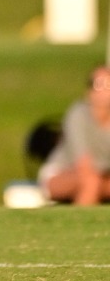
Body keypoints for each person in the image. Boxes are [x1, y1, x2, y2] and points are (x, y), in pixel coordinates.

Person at [39, 66, 110, 204]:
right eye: (99, 85)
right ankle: (82, 224)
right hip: (62, 173)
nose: (105, 91)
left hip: (103, 177)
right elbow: (83, 165)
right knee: (91, 182)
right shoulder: (78, 115)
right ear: (89, 91)